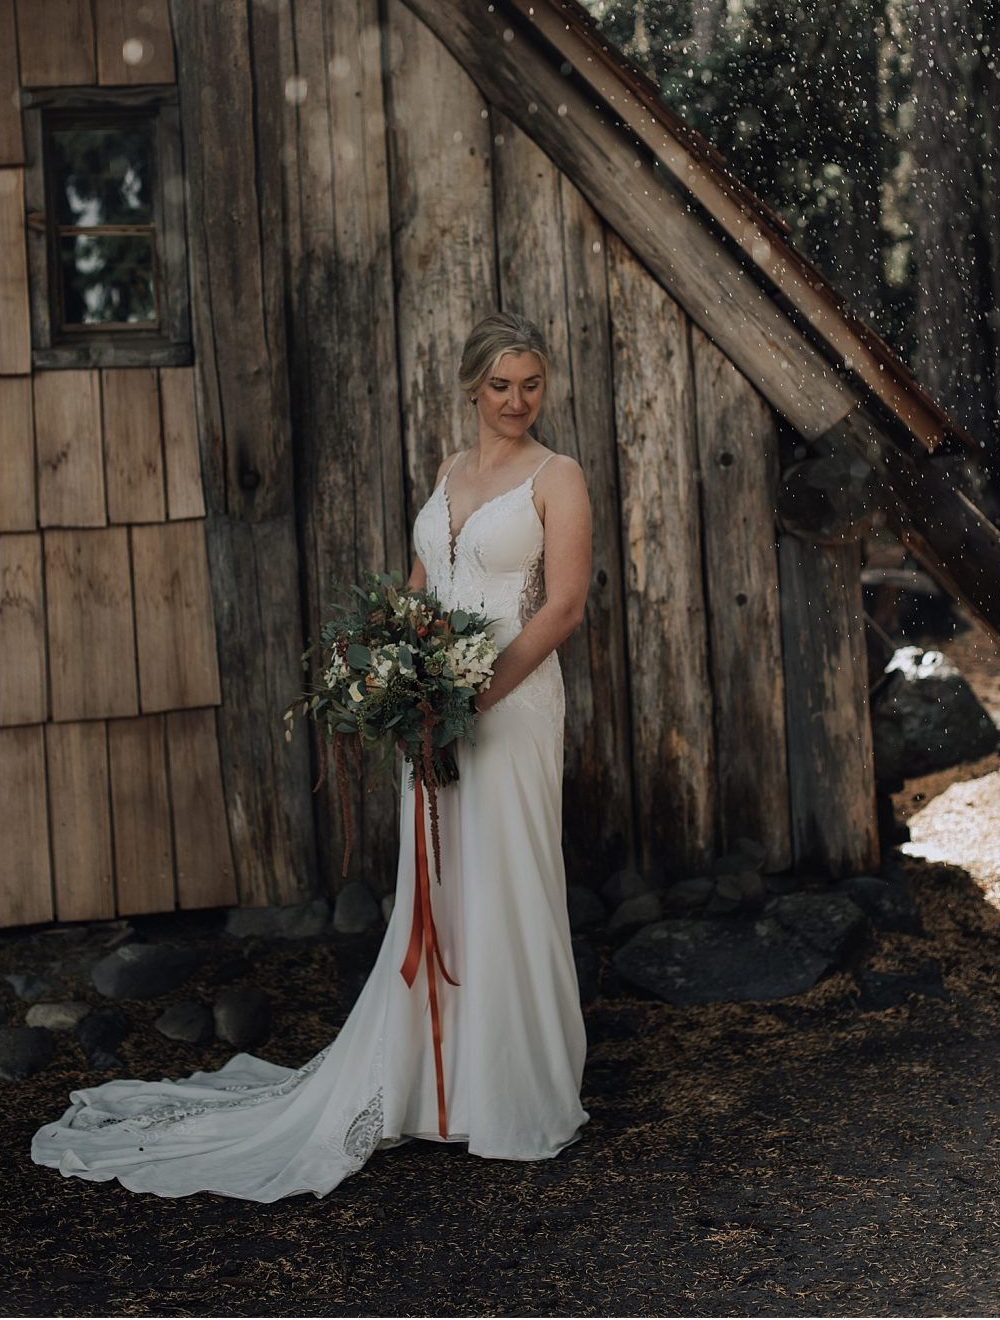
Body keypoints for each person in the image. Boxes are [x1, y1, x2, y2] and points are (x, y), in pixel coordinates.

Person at [29, 311, 593, 1201]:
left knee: (505, 877)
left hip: (511, 704)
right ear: (471, 387)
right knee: (438, 882)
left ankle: (511, 1091)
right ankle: (433, 1086)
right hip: (430, 708)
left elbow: (561, 608)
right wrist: (388, 672)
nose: (516, 401)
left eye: (530, 384)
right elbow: (421, 588)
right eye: (499, 385)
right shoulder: (450, 471)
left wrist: (472, 697)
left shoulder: (560, 479)